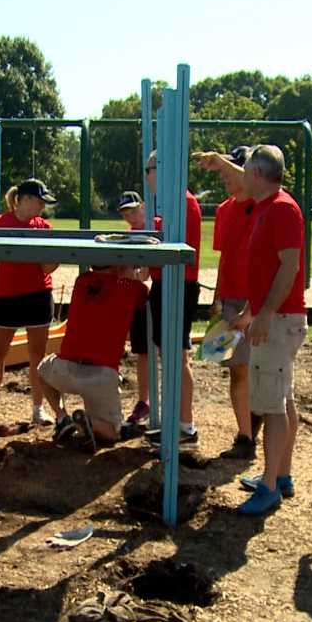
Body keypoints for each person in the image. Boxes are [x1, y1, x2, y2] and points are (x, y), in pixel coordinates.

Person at [232, 145, 308, 517]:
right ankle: (280, 474)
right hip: (271, 316)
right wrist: (251, 309)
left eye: (246, 170)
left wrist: (265, 315)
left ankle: (269, 485)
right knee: (284, 399)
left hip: (278, 322)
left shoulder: (281, 209)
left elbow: (290, 267)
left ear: (259, 174)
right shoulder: (265, 208)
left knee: (272, 406)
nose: (243, 176)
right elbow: (265, 268)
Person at [195, 146, 261, 459]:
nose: (223, 178)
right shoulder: (224, 210)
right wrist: (218, 298)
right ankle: (246, 437)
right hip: (234, 299)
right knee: (238, 369)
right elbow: (225, 258)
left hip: (263, 300)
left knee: (260, 369)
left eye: (227, 172)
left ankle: (255, 422)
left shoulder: (264, 205)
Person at [38, 265, 148, 449]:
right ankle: (87, 423)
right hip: (102, 374)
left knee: (42, 369)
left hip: (65, 368)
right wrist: (133, 277)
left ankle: (62, 416)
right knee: (111, 433)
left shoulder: (82, 281)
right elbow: (144, 298)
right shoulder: (132, 288)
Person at [142, 150, 203, 451]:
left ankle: (184, 426)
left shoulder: (182, 202)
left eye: (149, 169)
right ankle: (177, 424)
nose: (147, 176)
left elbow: (170, 245)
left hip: (178, 285)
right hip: (167, 283)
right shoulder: (173, 203)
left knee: (177, 358)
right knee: (172, 356)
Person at [0, 179, 60, 426]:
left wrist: (55, 257)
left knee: (37, 355)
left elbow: (48, 267)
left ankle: (38, 409)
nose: (42, 208)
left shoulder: (44, 227)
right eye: (39, 202)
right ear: (24, 200)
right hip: (7, 296)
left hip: (38, 296)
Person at [115, 191, 153, 423]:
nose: (130, 215)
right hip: (134, 298)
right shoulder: (127, 237)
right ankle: (144, 400)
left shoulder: (152, 232)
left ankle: (149, 400)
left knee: (150, 351)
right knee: (141, 351)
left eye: (133, 209)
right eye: (125, 212)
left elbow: (144, 273)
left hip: (147, 296)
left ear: (144, 207)